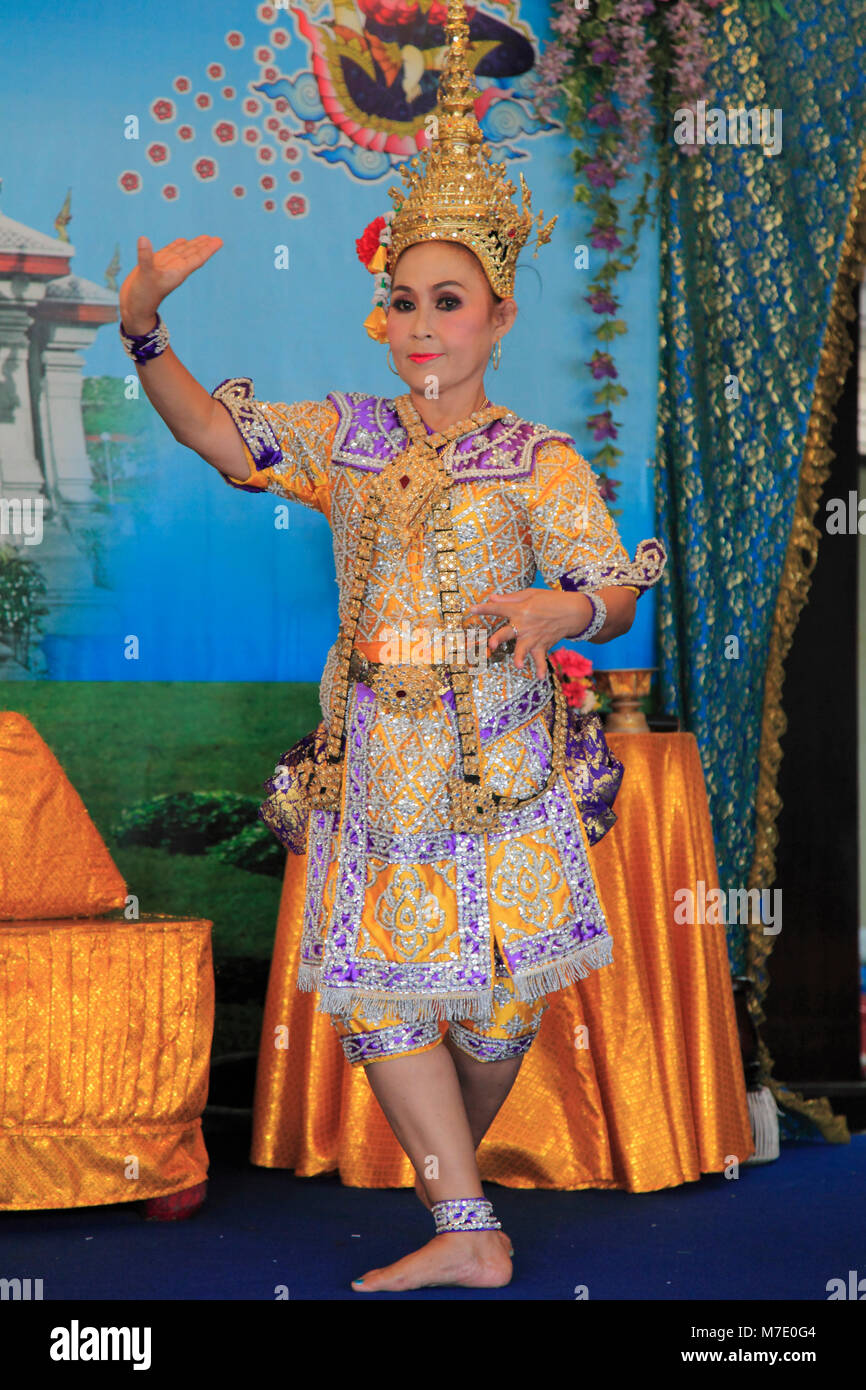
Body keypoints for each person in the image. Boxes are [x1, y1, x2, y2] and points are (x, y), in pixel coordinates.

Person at [118, 0, 666, 1293]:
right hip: (379, 759)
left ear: (497, 312)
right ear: (385, 311)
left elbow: (613, 584)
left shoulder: (536, 458)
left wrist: (562, 611)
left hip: (495, 767)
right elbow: (216, 435)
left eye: (450, 302)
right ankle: (468, 1229)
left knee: (493, 1012)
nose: (425, 325)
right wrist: (143, 328)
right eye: (406, 300)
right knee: (376, 1000)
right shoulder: (349, 436)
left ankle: (454, 1196)